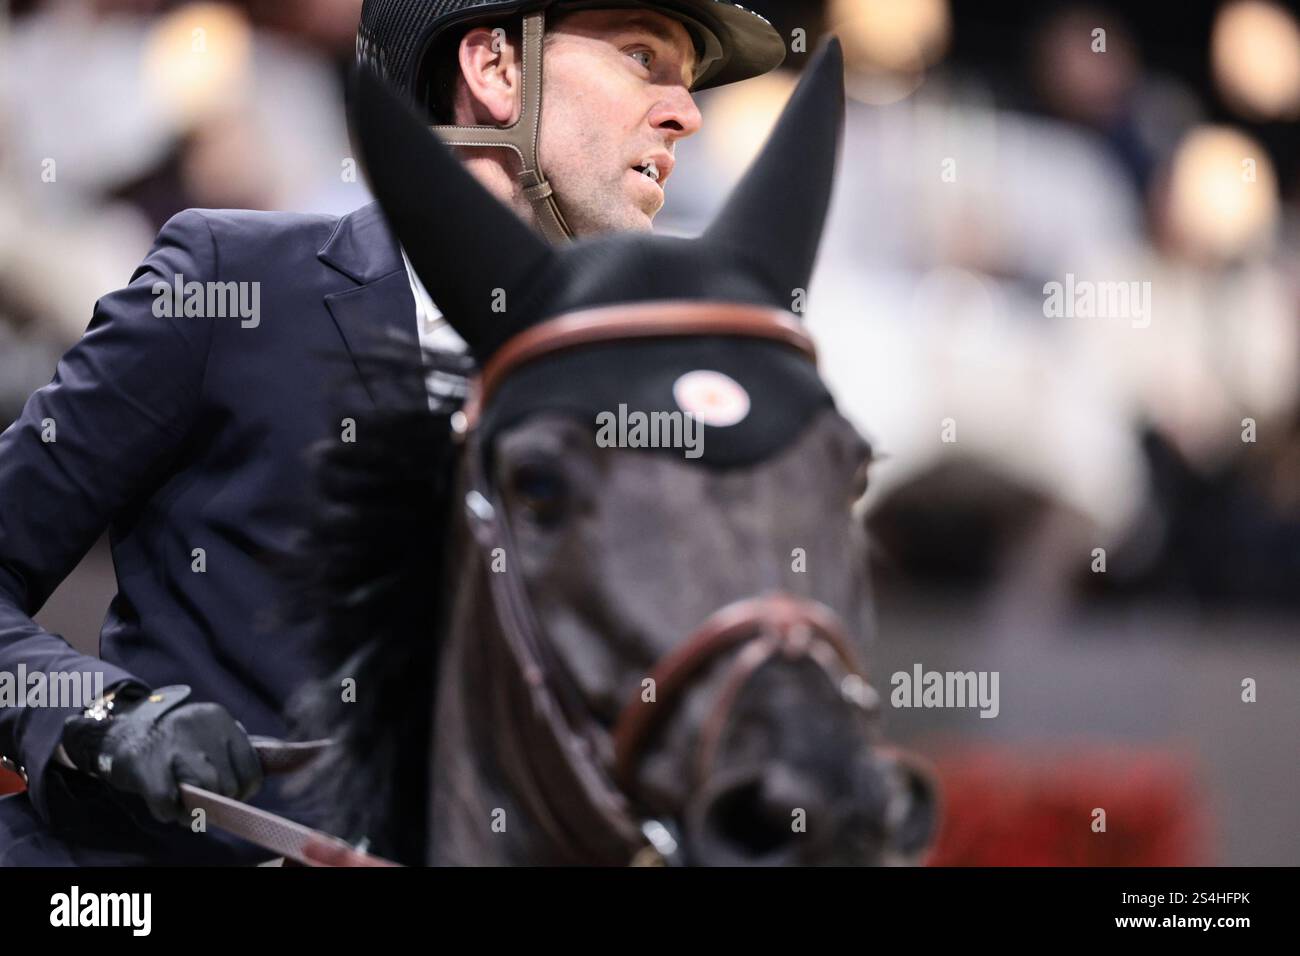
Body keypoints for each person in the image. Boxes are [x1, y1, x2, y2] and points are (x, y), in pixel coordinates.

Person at [0, 0, 784, 865]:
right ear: (495, 70)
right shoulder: (232, 285)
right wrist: (102, 715)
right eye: (643, 57)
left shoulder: (637, 403)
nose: (689, 111)